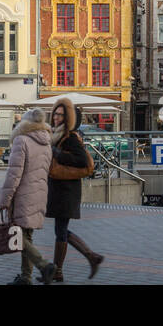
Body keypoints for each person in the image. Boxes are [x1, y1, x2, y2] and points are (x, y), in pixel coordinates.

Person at [46, 98, 105, 282]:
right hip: (58, 189)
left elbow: (82, 161)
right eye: (55, 113)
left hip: (67, 191)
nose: (56, 117)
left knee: (61, 230)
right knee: (61, 230)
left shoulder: (70, 137)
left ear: (67, 118)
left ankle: (59, 270)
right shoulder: (56, 134)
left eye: (61, 115)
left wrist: (57, 154)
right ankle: (90, 257)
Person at [0, 108, 57, 285]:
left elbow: (14, 174)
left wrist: (5, 199)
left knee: (18, 236)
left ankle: (44, 265)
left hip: (23, 194)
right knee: (26, 235)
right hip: (39, 193)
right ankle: (26, 277)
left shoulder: (21, 140)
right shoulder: (46, 142)